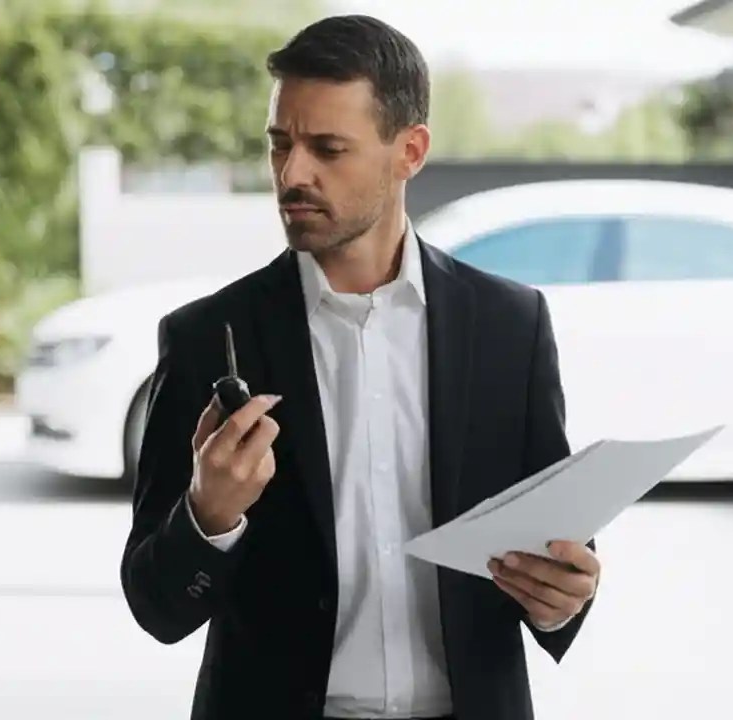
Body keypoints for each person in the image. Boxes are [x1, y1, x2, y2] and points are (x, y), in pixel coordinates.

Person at [119, 14, 601, 720]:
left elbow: (558, 545)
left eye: (327, 148)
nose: (293, 173)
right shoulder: (207, 337)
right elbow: (156, 607)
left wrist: (565, 597)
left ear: (410, 151)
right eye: (280, 144)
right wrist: (210, 515)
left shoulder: (510, 326)